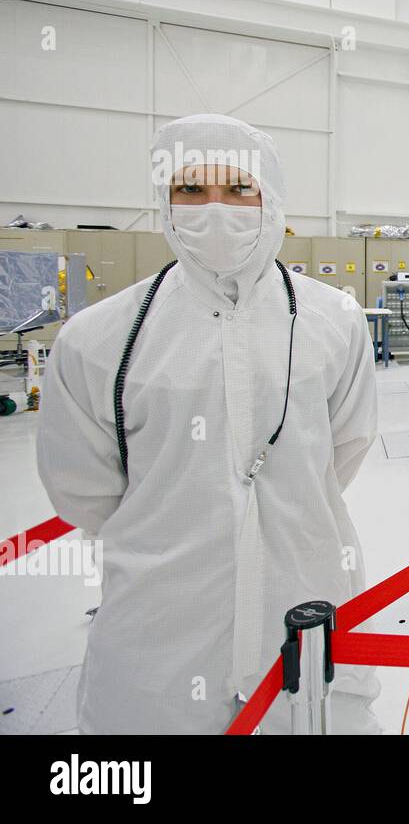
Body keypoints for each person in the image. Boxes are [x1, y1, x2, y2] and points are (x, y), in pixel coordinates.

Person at [37, 114, 381, 733]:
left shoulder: (335, 321)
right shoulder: (97, 339)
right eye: (191, 190)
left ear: (270, 196)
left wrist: (279, 507)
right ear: (164, 201)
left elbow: (344, 449)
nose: (215, 209)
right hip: (162, 621)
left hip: (302, 591)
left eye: (238, 189)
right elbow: (85, 491)